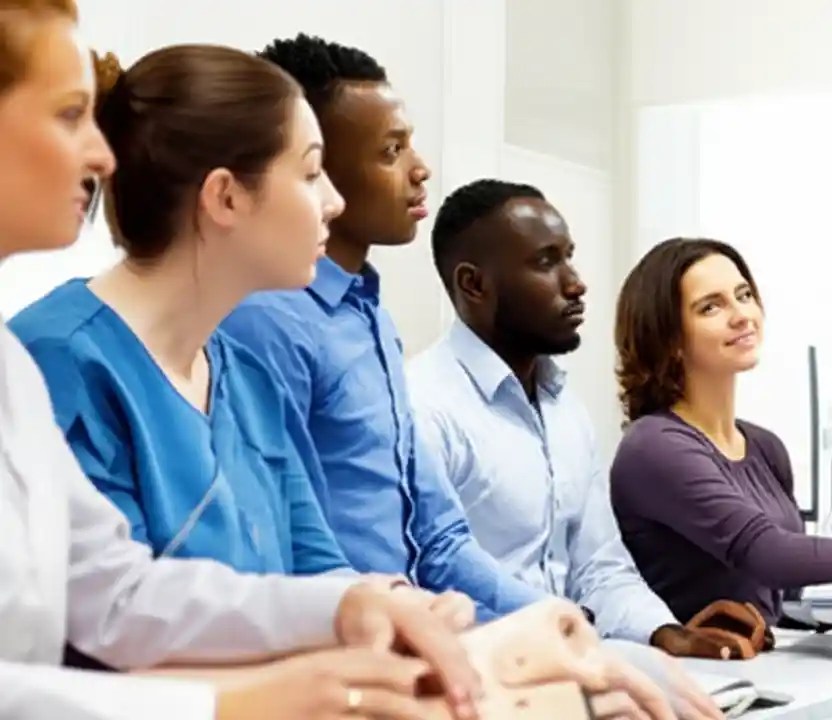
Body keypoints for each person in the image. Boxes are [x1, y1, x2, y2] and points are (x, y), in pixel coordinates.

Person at [0, 3, 493, 718]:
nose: (102, 155)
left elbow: (115, 591)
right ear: (225, 195)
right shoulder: (60, 357)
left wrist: (359, 608)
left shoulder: (19, 365)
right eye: (70, 114)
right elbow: (93, 650)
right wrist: (246, 701)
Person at [220, 33, 544, 619]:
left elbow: (440, 538)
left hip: (410, 622)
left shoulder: (368, 314)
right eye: (391, 151)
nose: (420, 171)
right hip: (347, 641)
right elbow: (295, 555)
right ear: (316, 164)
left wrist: (554, 623)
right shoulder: (266, 320)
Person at [9, 43, 353, 578]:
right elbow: (116, 625)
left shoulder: (251, 380)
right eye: (310, 173)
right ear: (226, 198)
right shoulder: (56, 363)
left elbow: (323, 573)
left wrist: (397, 615)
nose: (335, 202)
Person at [407, 179, 738, 663]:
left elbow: (600, 567)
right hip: (478, 677)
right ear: (473, 284)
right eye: (546, 262)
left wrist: (667, 633)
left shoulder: (565, 409)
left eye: (569, 256)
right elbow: (429, 575)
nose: (576, 282)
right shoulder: (424, 406)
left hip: (568, 662)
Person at [609, 238, 832, 625]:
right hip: (699, 675)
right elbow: (770, 555)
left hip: (766, 664)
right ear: (670, 338)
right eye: (711, 307)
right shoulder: (654, 447)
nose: (742, 315)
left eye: (744, 295)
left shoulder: (764, 447)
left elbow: (788, 595)